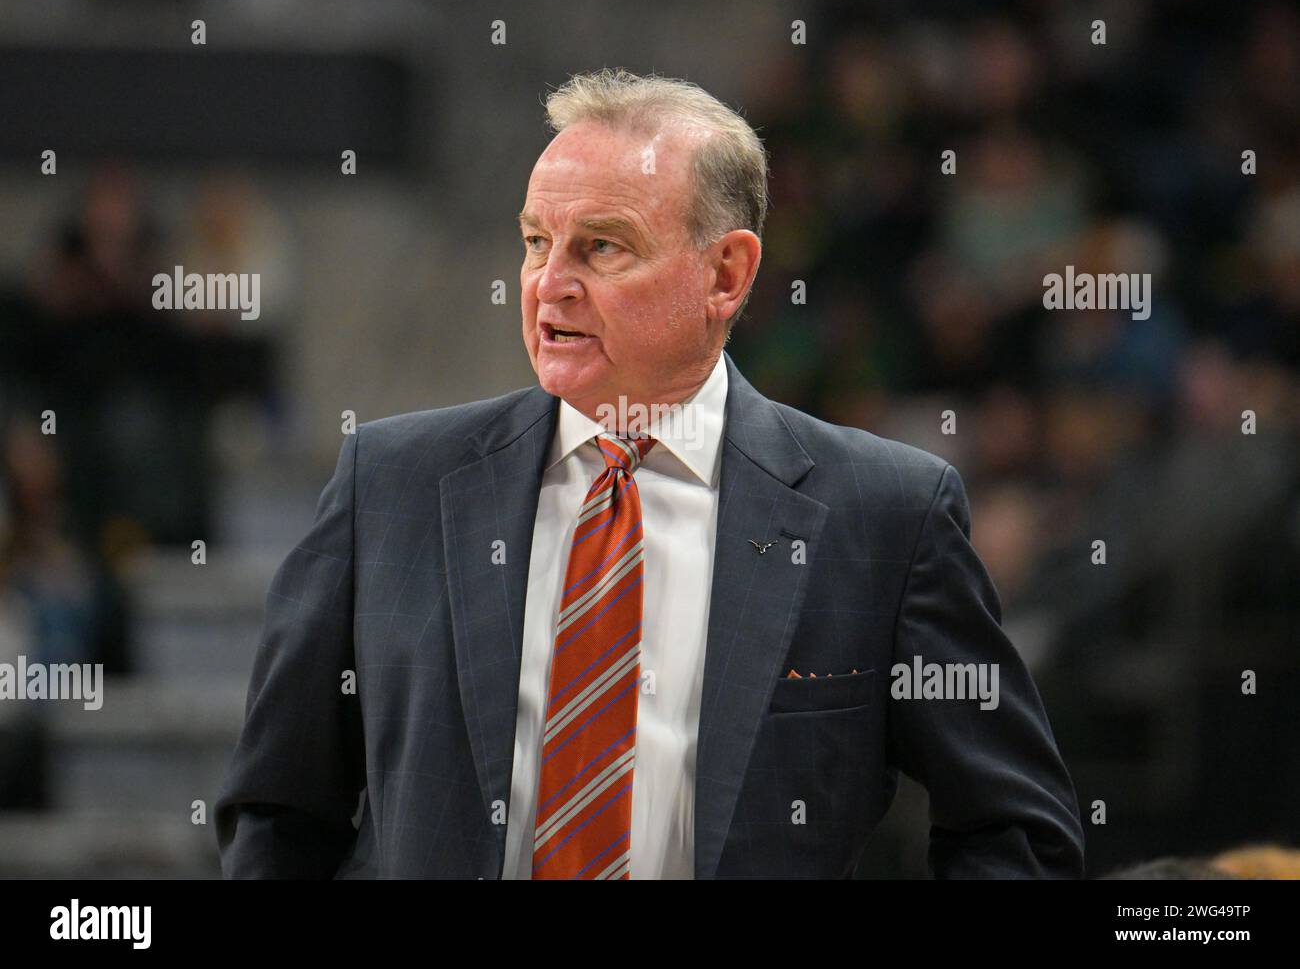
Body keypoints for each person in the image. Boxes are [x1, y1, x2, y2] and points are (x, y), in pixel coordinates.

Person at [215, 68, 1084, 879]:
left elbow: (1015, 829)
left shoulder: (885, 513)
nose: (549, 284)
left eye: (601, 248)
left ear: (726, 273)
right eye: (534, 241)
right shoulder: (388, 485)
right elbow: (281, 811)